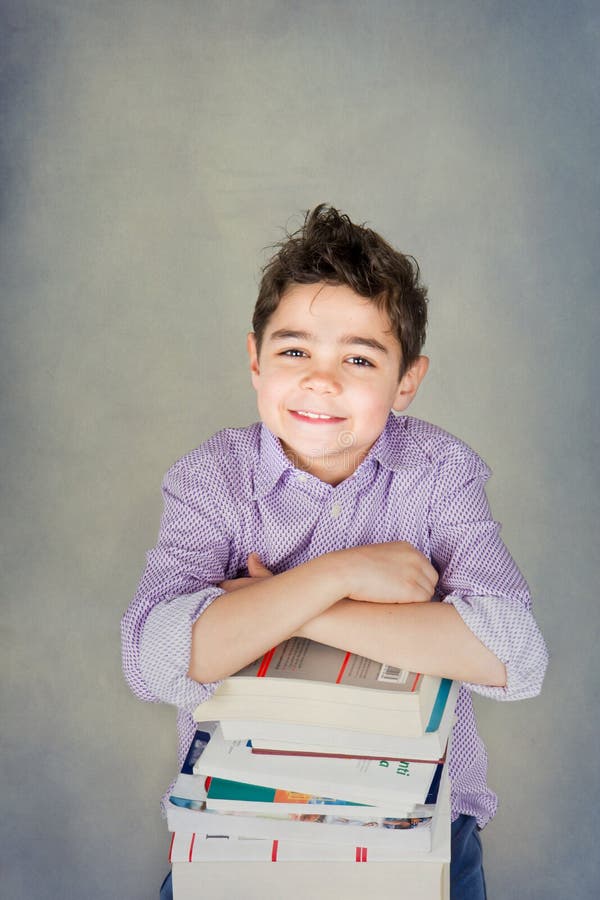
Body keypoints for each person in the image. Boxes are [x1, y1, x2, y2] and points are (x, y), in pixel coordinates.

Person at [121, 205, 548, 899]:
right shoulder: (211, 478)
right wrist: (344, 571)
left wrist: (283, 602)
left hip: (422, 834)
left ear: (406, 380)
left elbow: (514, 655)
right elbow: (157, 661)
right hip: (243, 832)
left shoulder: (441, 474)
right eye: (294, 351)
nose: (321, 381)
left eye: (358, 358)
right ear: (256, 361)